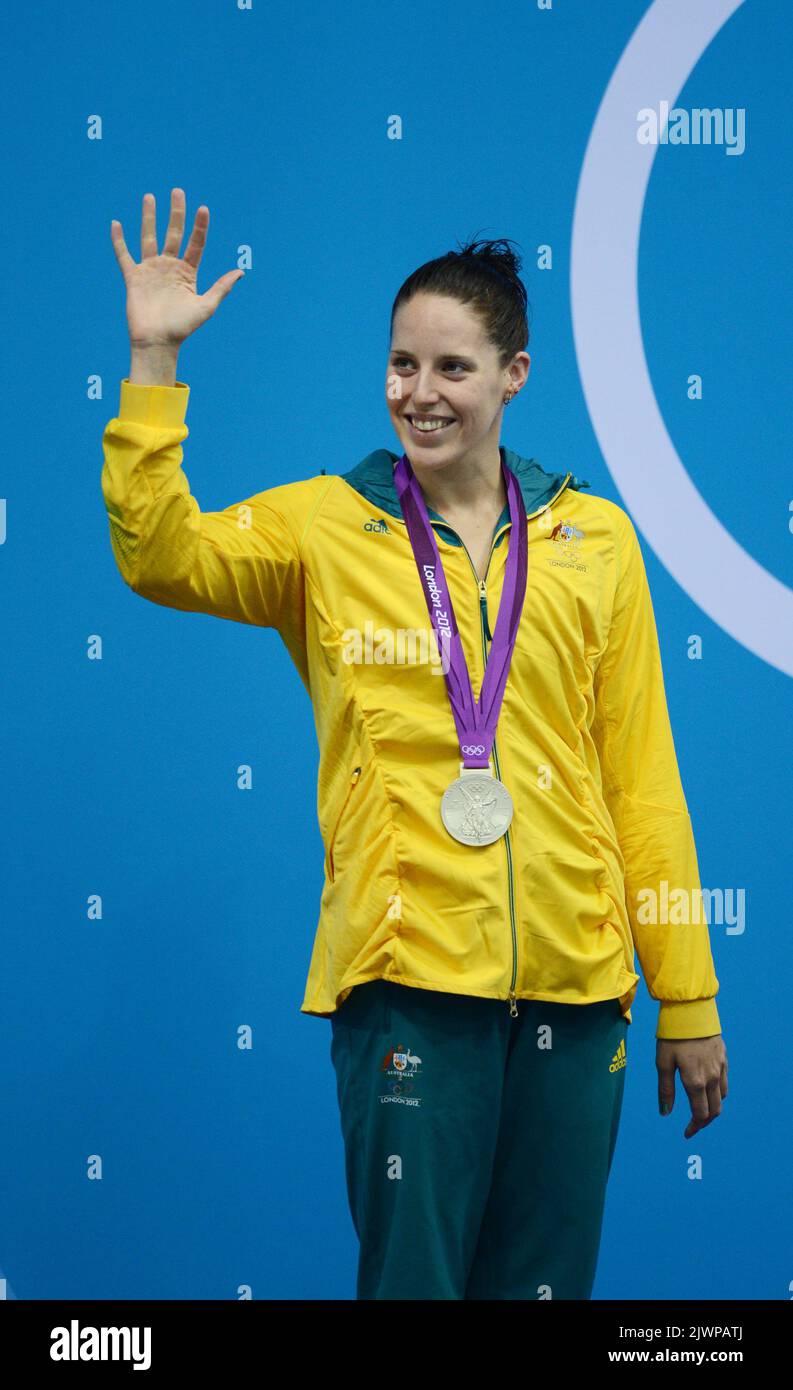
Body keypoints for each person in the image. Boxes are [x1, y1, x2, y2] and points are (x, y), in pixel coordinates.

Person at [102, 188, 728, 1301]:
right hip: (408, 985)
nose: (419, 393)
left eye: (451, 368)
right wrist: (154, 360)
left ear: (512, 376)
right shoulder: (323, 524)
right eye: (401, 365)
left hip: (578, 1001)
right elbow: (159, 555)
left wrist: (687, 995)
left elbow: (643, 784)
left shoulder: (596, 541)